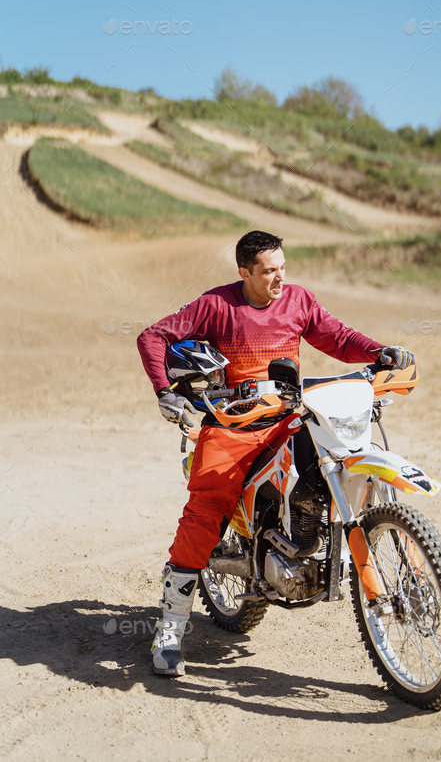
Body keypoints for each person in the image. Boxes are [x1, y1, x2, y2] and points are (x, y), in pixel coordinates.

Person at [137, 230, 415, 676]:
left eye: (283, 268)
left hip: (289, 416)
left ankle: (303, 543)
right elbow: (153, 336)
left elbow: (337, 337)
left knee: (336, 464)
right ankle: (170, 630)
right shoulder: (217, 306)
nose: (279, 278)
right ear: (244, 272)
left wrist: (377, 352)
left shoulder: (298, 301)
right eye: (269, 271)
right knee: (205, 511)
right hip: (232, 424)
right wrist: (165, 392)